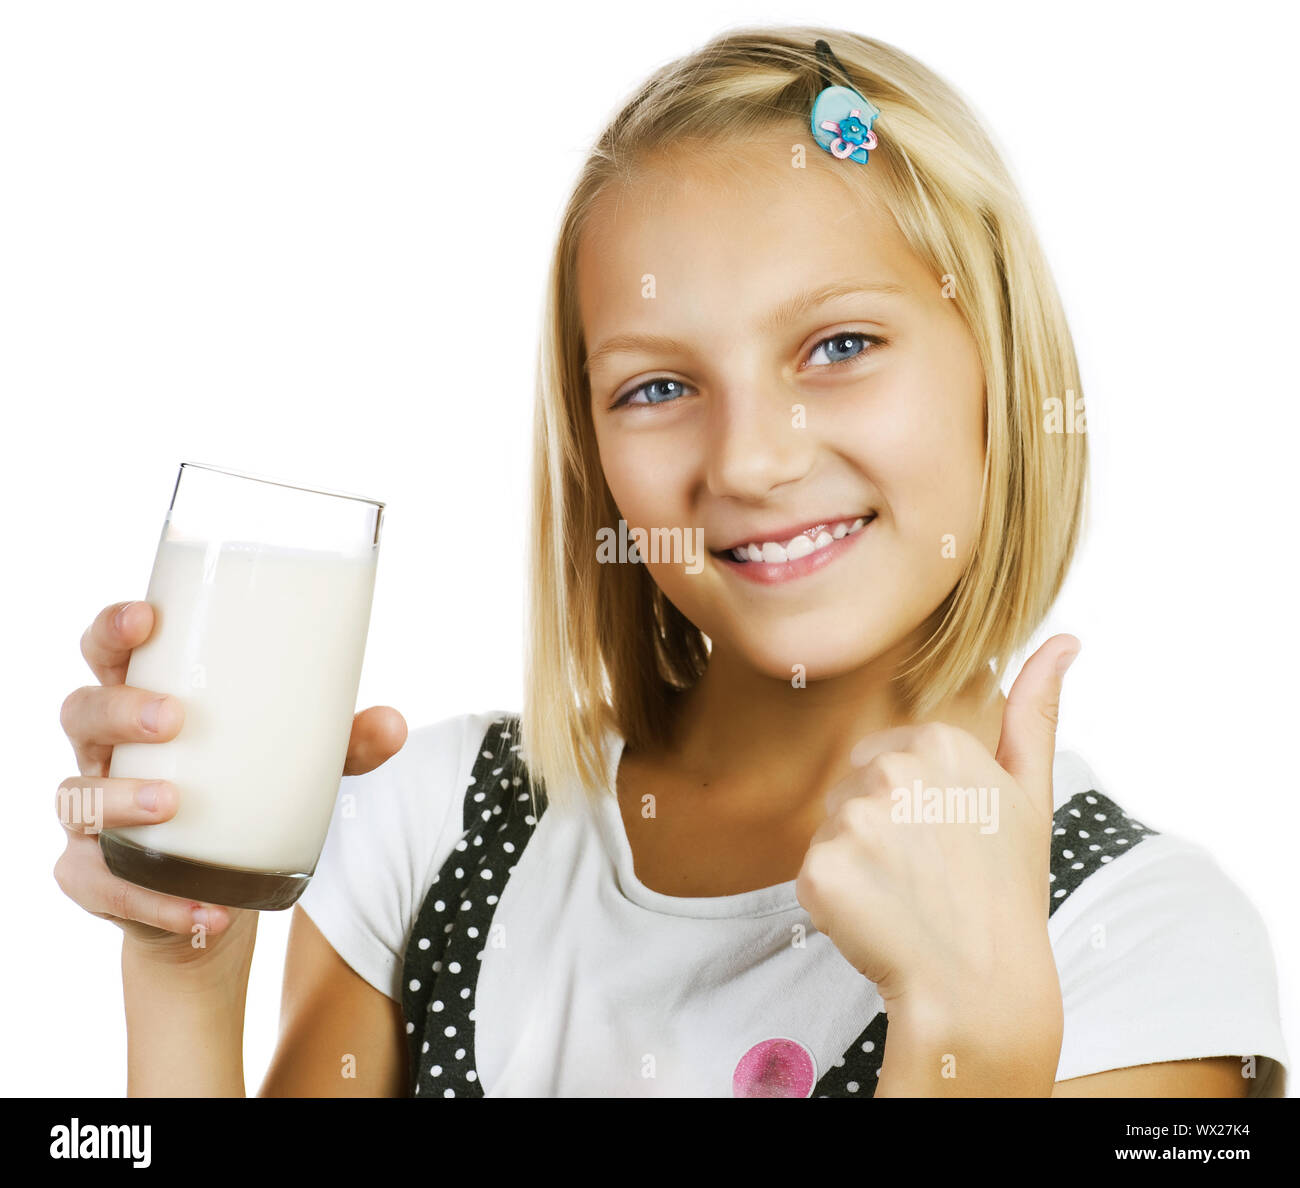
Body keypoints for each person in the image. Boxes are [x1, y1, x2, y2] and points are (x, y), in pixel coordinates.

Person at [55, 25, 1287, 1097]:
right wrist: (185, 969)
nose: (749, 459)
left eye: (839, 343)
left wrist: (976, 1034)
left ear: (998, 370)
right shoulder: (426, 831)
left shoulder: (1141, 944)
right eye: (654, 385)